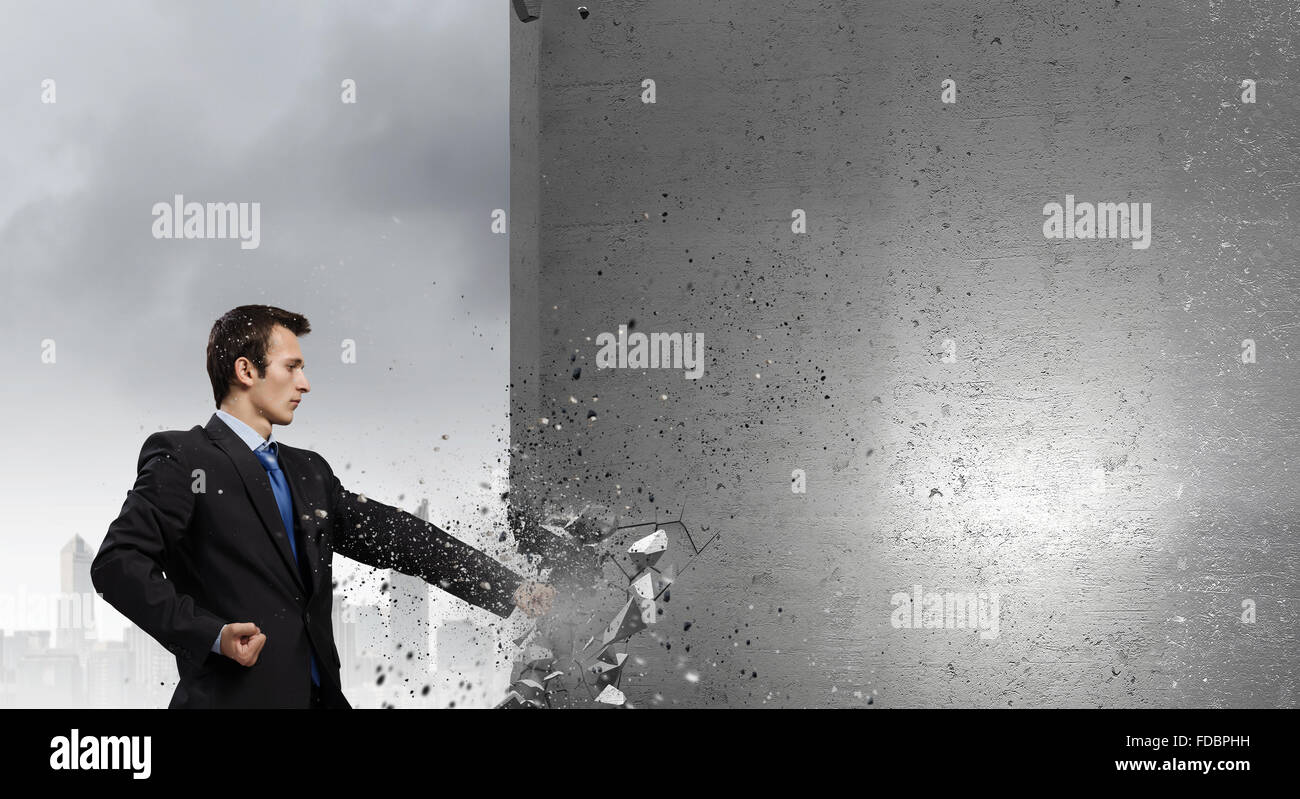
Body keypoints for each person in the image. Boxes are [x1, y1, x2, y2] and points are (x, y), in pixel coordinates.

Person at [91, 304, 554, 708]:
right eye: (291, 367)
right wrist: (211, 634)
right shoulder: (183, 459)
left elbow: (397, 537)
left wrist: (510, 588)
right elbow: (117, 564)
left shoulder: (309, 473)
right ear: (246, 371)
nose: (305, 383)